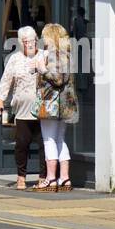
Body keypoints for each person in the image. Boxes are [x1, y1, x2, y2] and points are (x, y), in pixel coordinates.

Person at [0, 26, 41, 190]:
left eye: (33, 40)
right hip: (22, 110)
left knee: (43, 144)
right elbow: (6, 80)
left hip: (43, 111)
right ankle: (21, 177)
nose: (30, 44)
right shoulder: (14, 59)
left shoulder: (43, 56)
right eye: (27, 41)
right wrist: (0, 100)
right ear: (21, 42)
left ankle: (43, 177)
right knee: (22, 144)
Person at [35, 22, 80, 191]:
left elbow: (57, 78)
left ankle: (51, 178)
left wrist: (41, 69)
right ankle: (65, 178)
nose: (42, 38)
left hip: (51, 103)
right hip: (65, 105)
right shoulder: (68, 54)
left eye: (44, 35)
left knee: (49, 140)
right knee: (60, 139)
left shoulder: (53, 54)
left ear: (51, 36)